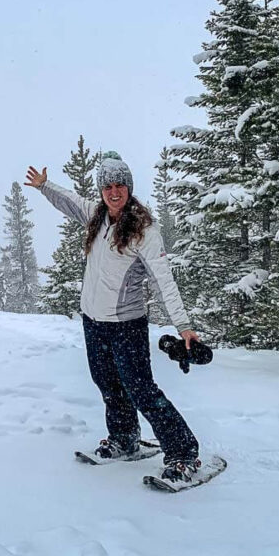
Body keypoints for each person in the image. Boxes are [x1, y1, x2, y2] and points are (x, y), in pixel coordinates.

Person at [25, 152, 203, 484]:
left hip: (127, 325)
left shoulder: (144, 230)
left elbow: (164, 279)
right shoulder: (96, 215)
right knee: (108, 384)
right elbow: (69, 200)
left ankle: (184, 453)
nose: (114, 191)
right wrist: (45, 186)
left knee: (141, 390)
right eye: (108, 185)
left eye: (120, 184)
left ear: (129, 188)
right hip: (93, 322)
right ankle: (125, 439)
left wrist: (184, 325)